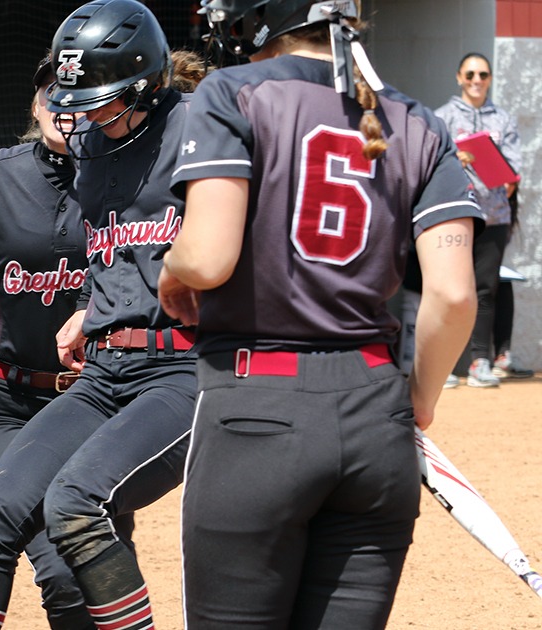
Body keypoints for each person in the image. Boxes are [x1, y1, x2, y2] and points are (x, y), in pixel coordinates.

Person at [160, 1, 480, 627]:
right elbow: (454, 295)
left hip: (258, 407)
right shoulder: (417, 120)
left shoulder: (232, 91)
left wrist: (174, 268)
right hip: (375, 415)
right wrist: (417, 400)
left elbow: (206, 259)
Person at [0, 2, 197, 628]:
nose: (85, 116)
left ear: (146, 83)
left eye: (101, 101)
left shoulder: (198, 126)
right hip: (103, 373)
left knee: (76, 507)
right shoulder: (92, 146)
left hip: (181, 369)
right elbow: (114, 248)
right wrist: (89, 307)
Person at [0, 52, 98, 628]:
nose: (62, 104)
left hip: (98, 401)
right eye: (50, 91)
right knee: (59, 561)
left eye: (79, 91)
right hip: (6, 402)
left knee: (96, 559)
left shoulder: (131, 178)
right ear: (35, 105)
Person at [435, 52, 523, 388]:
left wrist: (497, 166)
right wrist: (454, 159)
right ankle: (443, 365)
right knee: (449, 291)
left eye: (483, 75)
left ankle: (479, 361)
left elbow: (513, 173)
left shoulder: (503, 119)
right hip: (454, 216)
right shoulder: (441, 117)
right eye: (470, 74)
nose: (476, 81)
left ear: (490, 79)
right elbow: (429, 163)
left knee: (485, 290)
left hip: (494, 217)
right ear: (459, 77)